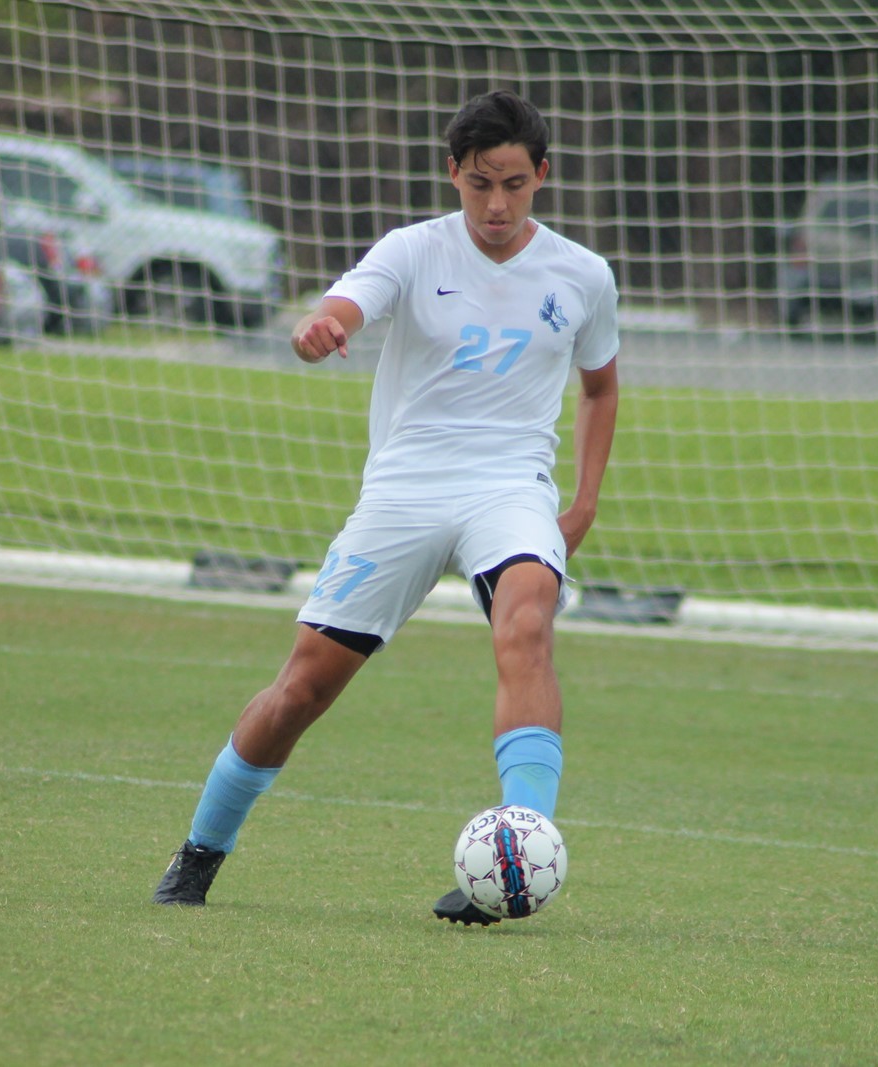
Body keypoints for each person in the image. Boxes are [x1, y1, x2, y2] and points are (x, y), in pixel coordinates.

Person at [151, 90, 620, 925]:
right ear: (454, 174)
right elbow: (344, 305)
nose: (497, 205)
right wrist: (320, 327)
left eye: (514, 183)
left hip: (511, 487)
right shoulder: (413, 250)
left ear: (542, 176)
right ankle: (199, 852)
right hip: (405, 488)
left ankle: (519, 853)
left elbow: (600, 385)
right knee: (301, 690)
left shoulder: (583, 275)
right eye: (479, 184)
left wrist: (581, 503)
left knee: (528, 622)